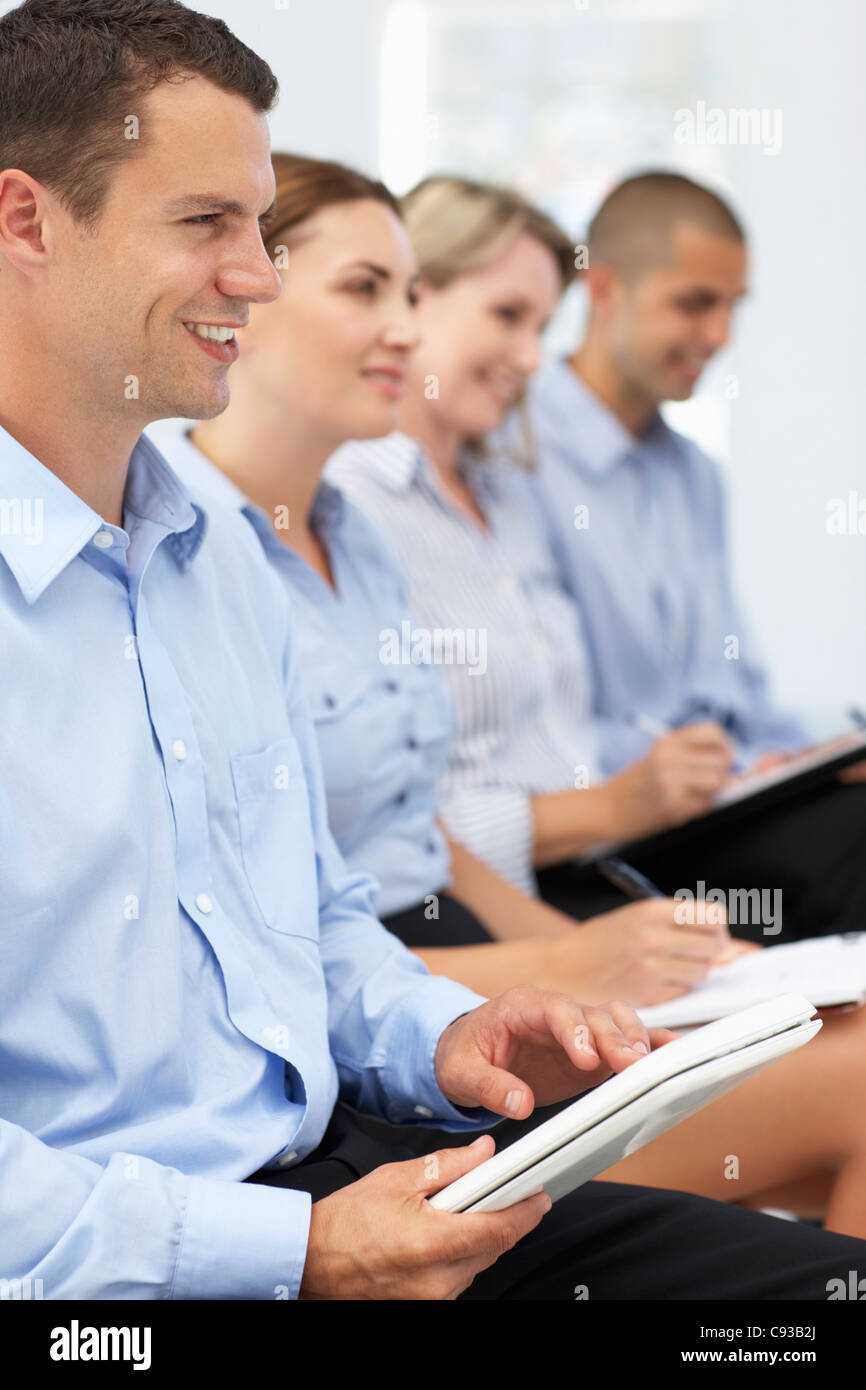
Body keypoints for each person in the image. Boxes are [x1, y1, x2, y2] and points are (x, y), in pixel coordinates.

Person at [161, 154, 866, 1238]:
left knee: (830, 1056)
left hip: (442, 966)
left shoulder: (358, 545)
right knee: (852, 1076)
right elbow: (284, 942)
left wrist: (595, 957)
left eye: (409, 295)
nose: (404, 331)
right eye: (366, 290)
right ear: (247, 297)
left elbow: (424, 833)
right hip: (382, 1033)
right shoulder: (185, 560)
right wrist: (560, 961)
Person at [327, 174, 866, 945]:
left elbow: (594, 725)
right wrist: (582, 915)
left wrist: (794, 760)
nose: (530, 357)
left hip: (609, 843)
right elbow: (399, 815)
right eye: (507, 316)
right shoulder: (388, 494)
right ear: (413, 300)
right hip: (552, 855)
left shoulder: (505, 493)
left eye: (540, 326)